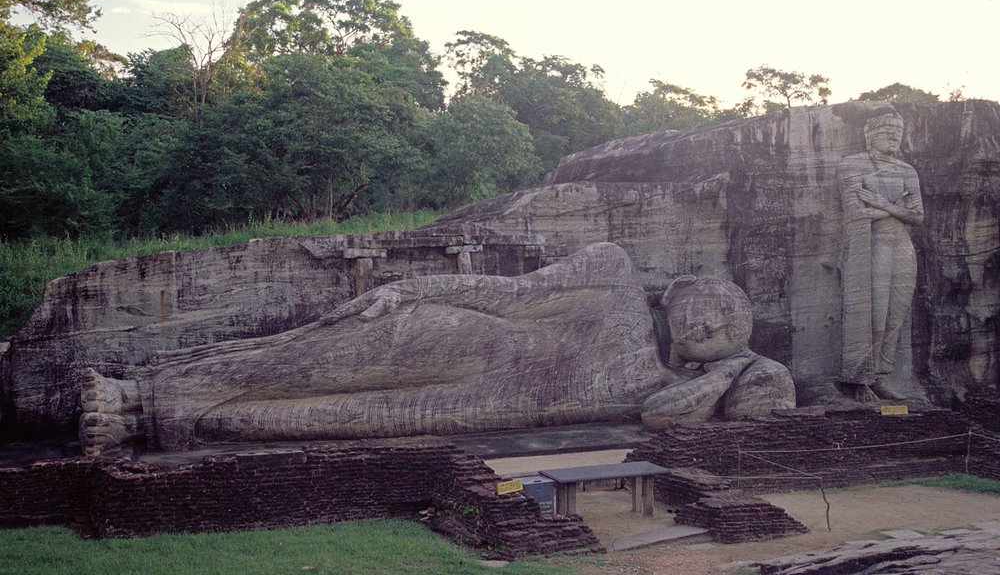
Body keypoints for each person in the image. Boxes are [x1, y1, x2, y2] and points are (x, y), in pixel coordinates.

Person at [79, 243, 795, 455]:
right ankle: (134, 392)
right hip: (456, 337)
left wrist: (733, 368)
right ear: (683, 295)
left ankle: (149, 415)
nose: (704, 326)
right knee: (297, 361)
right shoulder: (611, 274)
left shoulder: (659, 385)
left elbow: (670, 420)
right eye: (704, 308)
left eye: (725, 323)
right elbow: (503, 294)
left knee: (308, 417)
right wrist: (414, 288)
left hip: (479, 400)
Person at [837, 109, 924, 403]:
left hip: (901, 247)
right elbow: (855, 212)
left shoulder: (906, 171)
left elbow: (917, 216)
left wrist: (880, 203)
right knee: (874, 314)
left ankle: (881, 377)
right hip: (872, 247)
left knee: (894, 316)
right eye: (888, 130)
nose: (894, 136)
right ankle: (861, 376)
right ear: (870, 133)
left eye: (898, 131)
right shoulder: (853, 166)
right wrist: (895, 207)